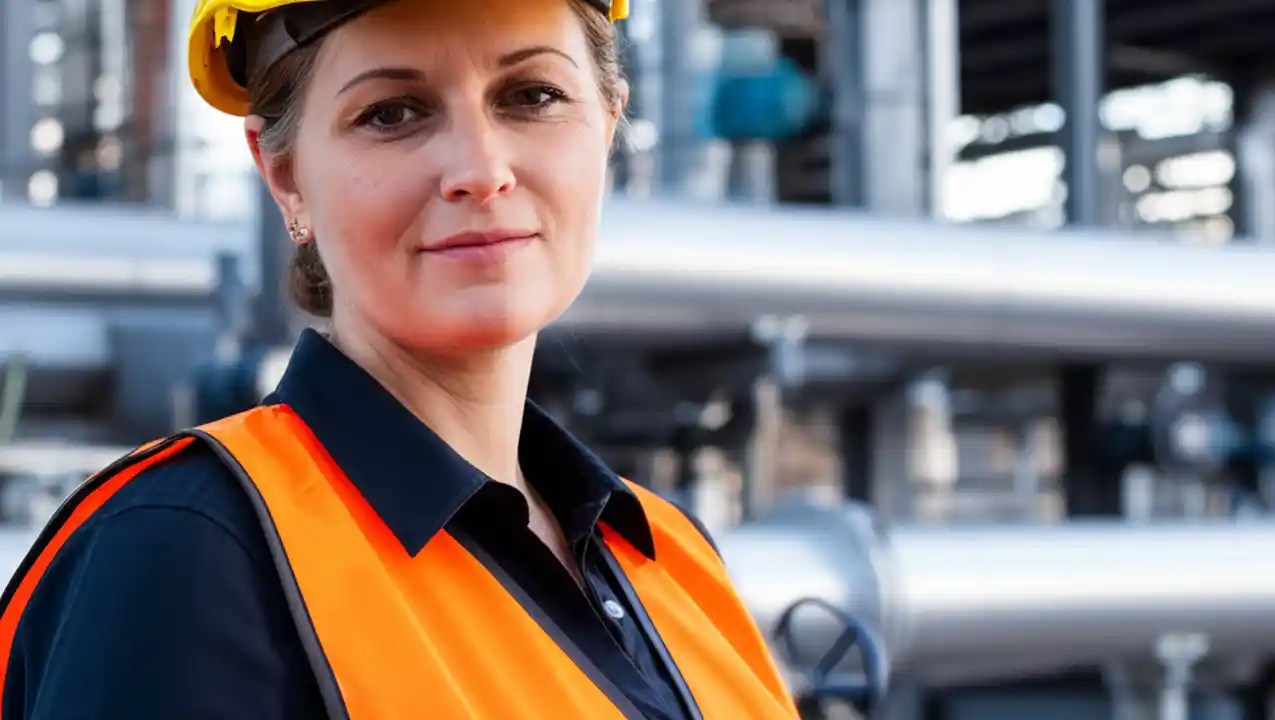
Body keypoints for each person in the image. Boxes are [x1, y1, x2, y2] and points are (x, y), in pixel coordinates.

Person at [0, 0, 801, 718]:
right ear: (285, 176)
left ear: (608, 121)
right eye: (393, 113)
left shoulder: (673, 558)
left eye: (532, 96)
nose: (481, 172)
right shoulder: (192, 556)